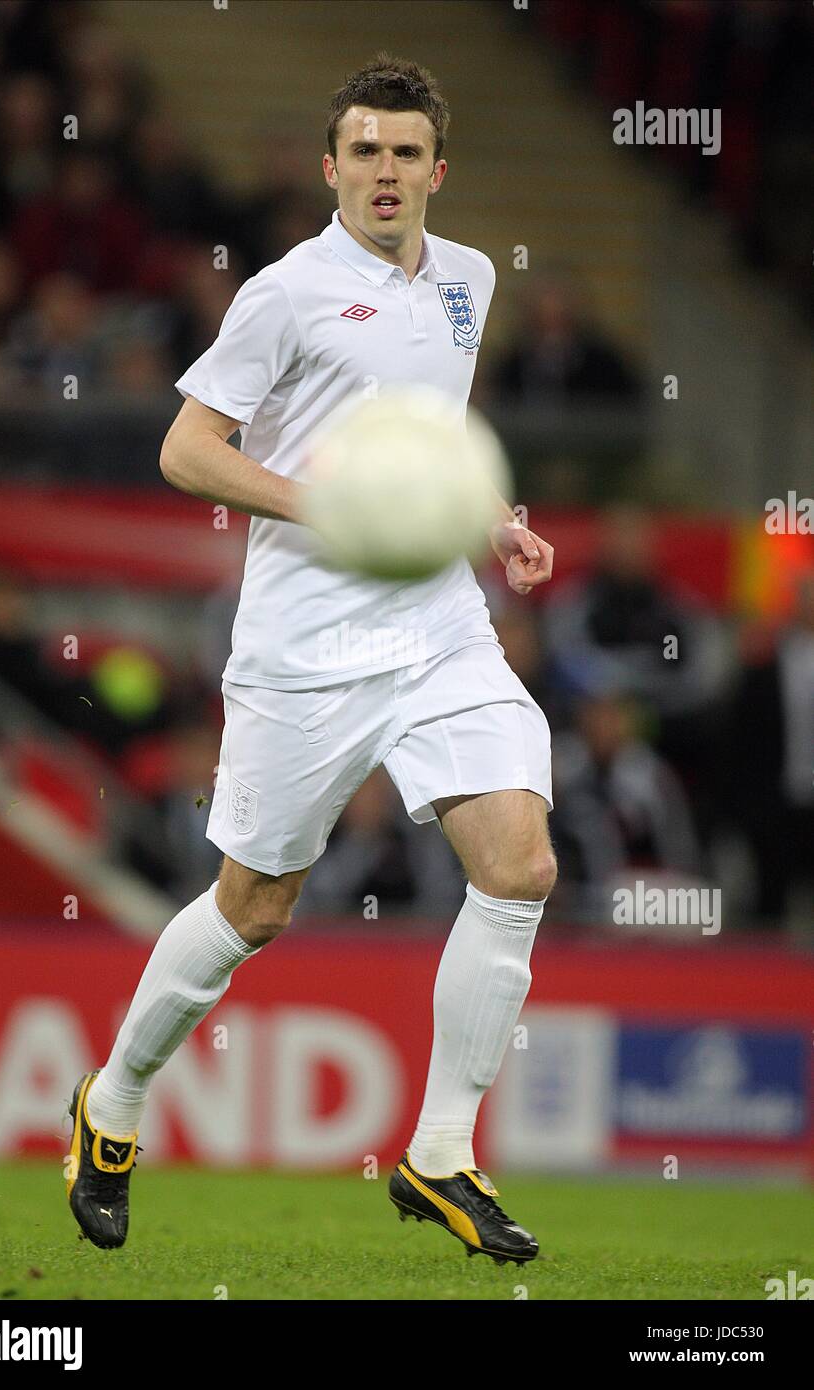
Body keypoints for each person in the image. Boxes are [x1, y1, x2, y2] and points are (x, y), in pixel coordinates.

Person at [66, 54, 557, 1267]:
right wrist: (312, 502)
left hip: (437, 624)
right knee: (255, 904)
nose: (384, 172)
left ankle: (440, 1152)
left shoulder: (469, 279)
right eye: (363, 152)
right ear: (329, 166)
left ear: (435, 171)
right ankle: (113, 1101)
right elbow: (188, 449)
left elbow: (420, 441)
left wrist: (484, 519)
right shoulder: (284, 293)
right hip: (306, 647)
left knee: (523, 858)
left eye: (405, 153)